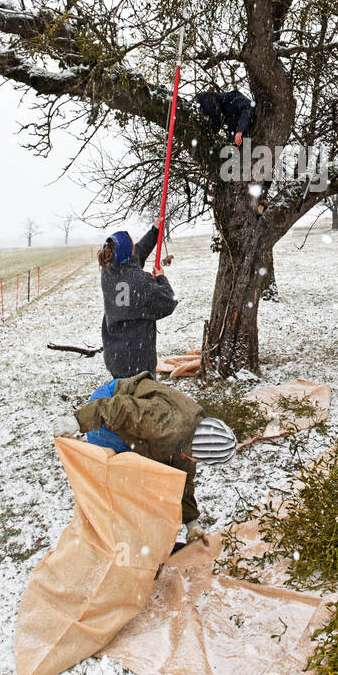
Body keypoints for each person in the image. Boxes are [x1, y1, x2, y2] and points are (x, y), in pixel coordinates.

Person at [70, 372, 208, 544]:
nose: (195, 461)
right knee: (118, 480)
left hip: (141, 426)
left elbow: (183, 480)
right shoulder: (167, 422)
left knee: (157, 476)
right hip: (110, 404)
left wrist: (191, 523)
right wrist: (78, 420)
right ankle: (113, 542)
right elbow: (121, 408)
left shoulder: (191, 443)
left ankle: (139, 542)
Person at [98, 219, 177, 378]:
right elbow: (169, 301)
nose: (136, 247)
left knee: (122, 394)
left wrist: (154, 231)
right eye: (133, 245)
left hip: (116, 357)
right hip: (139, 360)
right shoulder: (141, 281)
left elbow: (137, 253)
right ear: (129, 253)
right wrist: (161, 279)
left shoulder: (108, 273)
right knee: (141, 398)